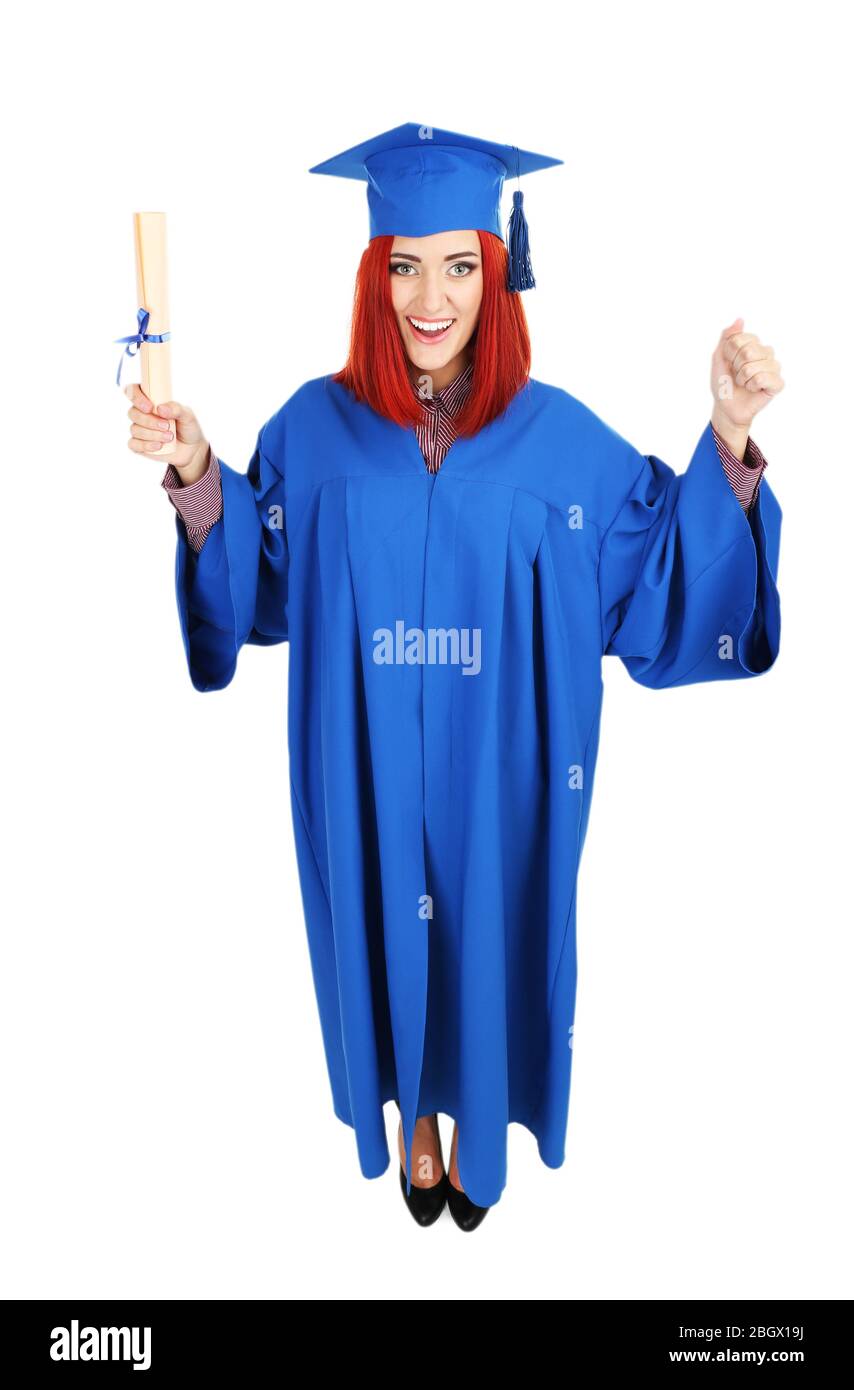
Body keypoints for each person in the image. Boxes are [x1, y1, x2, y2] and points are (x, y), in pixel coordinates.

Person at [123, 124, 783, 1233]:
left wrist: (724, 433)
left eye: (460, 264)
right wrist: (195, 470)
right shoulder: (315, 431)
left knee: (489, 933)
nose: (430, 295)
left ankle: (476, 1123)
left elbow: (657, 576)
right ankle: (417, 1127)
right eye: (404, 265)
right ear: (372, 276)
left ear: (497, 269)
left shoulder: (557, 443)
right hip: (366, 779)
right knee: (381, 935)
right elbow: (261, 581)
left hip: (503, 786)